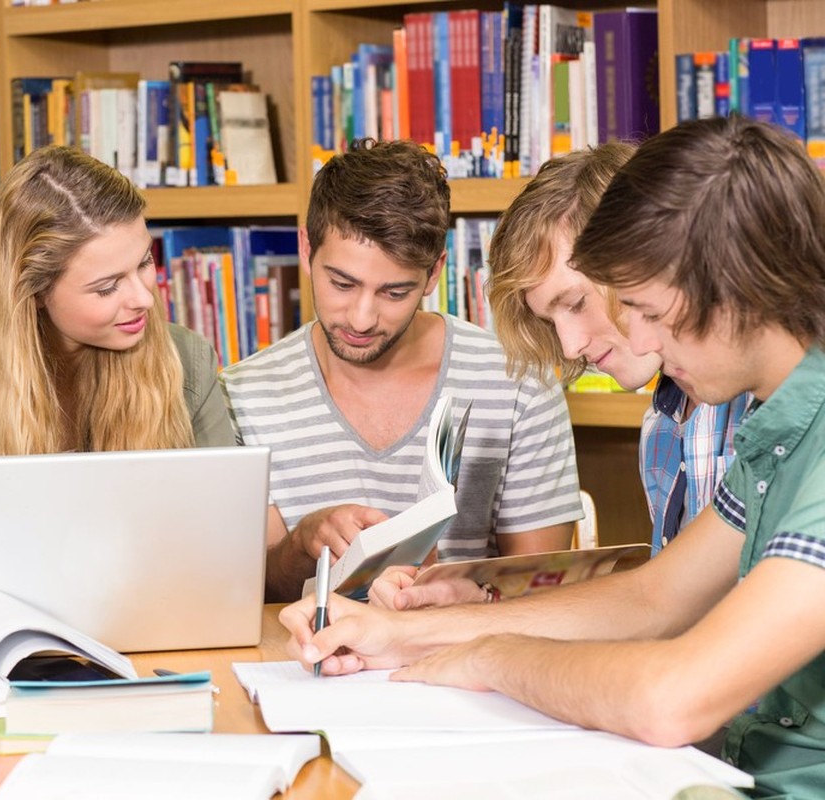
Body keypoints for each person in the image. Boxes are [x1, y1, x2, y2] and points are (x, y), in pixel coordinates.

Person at [281, 116, 825, 798]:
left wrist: (491, 655)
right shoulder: (777, 431)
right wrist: (401, 634)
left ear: (729, 285)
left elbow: (673, 695)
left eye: (647, 309)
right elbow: (653, 597)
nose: (633, 336)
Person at [374, 142, 750, 611]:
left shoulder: (763, 408)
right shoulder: (663, 425)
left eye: (575, 303)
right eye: (553, 321)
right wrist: (480, 602)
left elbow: (685, 631)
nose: (570, 347)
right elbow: (665, 609)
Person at [220, 138, 584, 603]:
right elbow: (254, 596)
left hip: (464, 662)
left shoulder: (519, 382)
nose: (361, 318)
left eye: (394, 292)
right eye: (341, 283)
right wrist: (303, 543)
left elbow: (542, 592)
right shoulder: (242, 396)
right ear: (306, 246)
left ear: (434, 274)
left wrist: (461, 594)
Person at [0, 145, 235, 617]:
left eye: (144, 263)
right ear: (33, 290)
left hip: (150, 632)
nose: (143, 299)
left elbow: (223, 555)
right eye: (107, 286)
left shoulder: (187, 360)